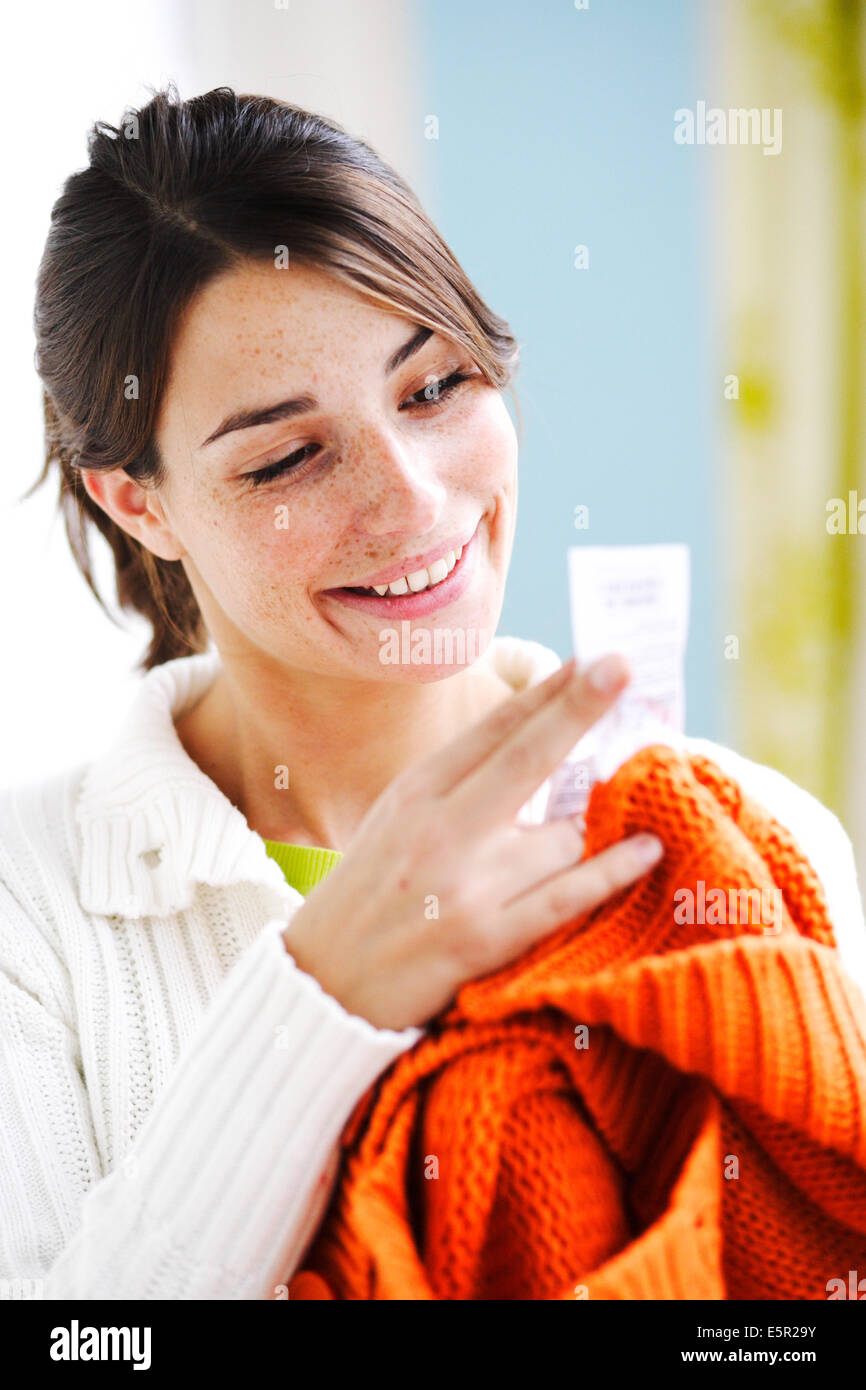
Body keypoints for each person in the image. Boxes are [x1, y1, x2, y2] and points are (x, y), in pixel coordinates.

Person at [1, 85, 863, 1301]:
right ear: (137, 500)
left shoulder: (746, 842)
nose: (410, 500)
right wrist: (322, 998)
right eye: (286, 455)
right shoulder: (27, 907)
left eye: (434, 387)